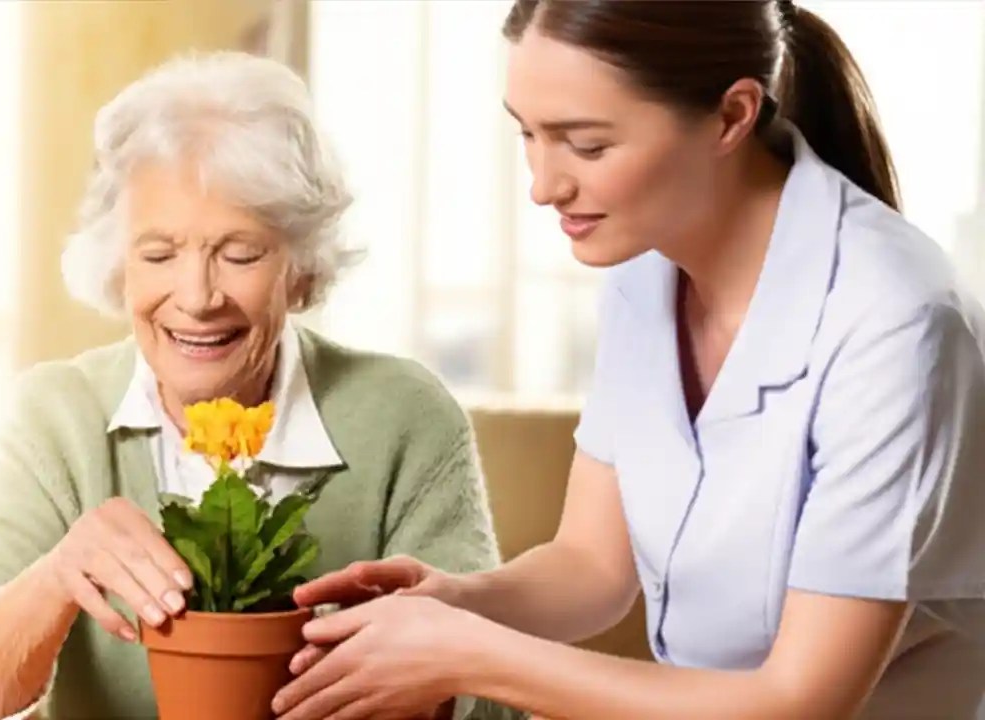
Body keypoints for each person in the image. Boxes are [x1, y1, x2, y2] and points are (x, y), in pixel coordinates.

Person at [274, 2, 985, 719]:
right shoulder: (646, 272)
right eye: (528, 133)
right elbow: (592, 567)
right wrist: (457, 601)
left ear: (732, 116)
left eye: (585, 145)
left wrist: (465, 653)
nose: (543, 185)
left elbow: (796, 701)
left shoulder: (897, 324)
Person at [0, 52, 510, 720]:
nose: (196, 298)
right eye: (158, 255)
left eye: (240, 253)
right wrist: (56, 578)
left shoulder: (404, 415)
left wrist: (408, 675)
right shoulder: (58, 414)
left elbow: (495, 694)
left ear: (302, 269)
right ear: (118, 265)